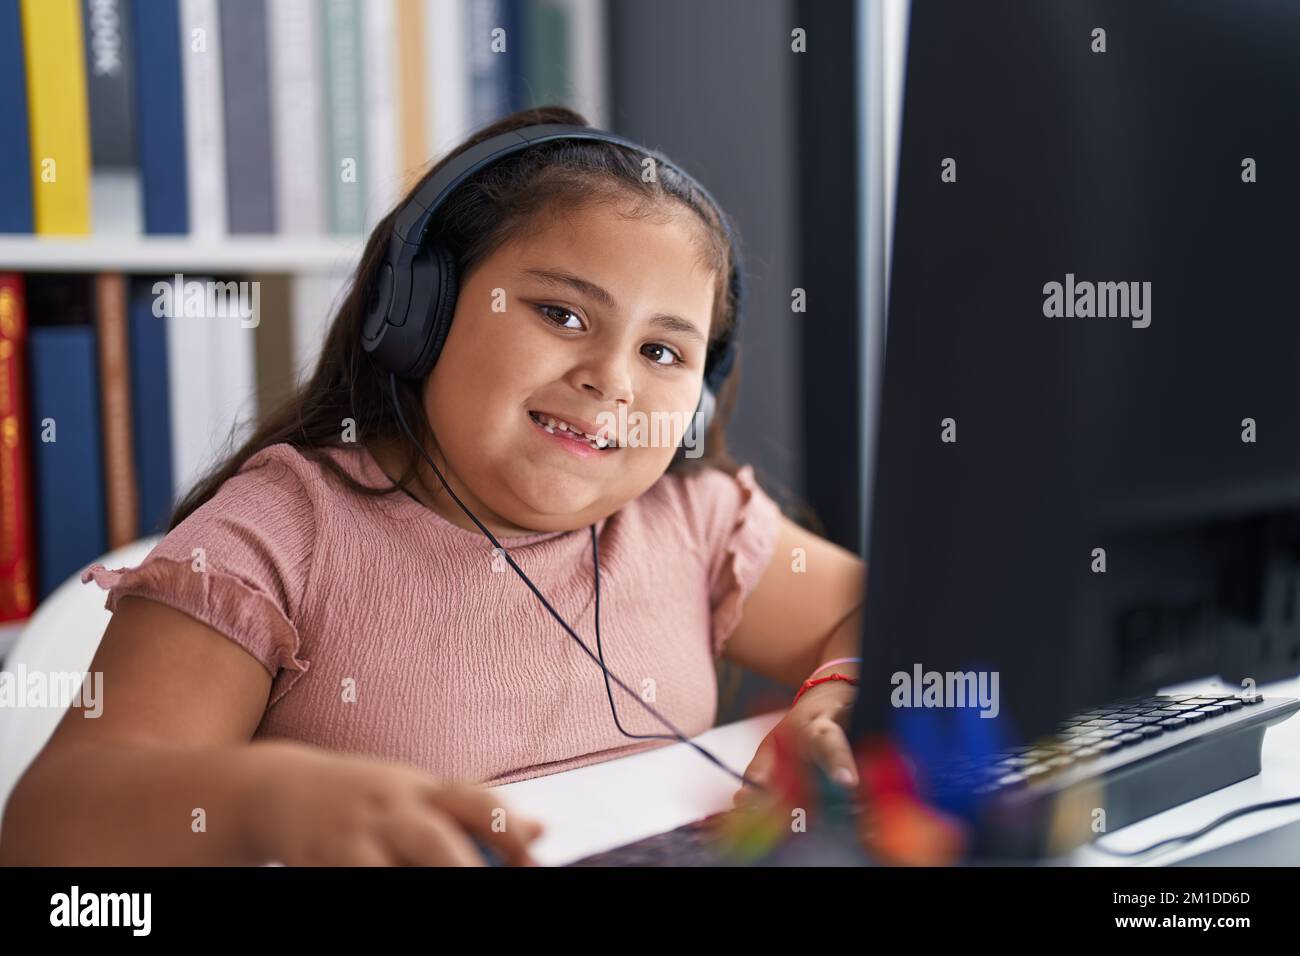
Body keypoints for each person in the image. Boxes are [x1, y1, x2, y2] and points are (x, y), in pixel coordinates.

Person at [0, 106, 865, 866]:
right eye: (562, 314)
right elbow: (50, 828)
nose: (613, 380)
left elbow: (879, 613)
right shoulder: (281, 533)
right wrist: (263, 799)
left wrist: (833, 700)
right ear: (422, 316)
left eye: (662, 351)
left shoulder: (690, 517)